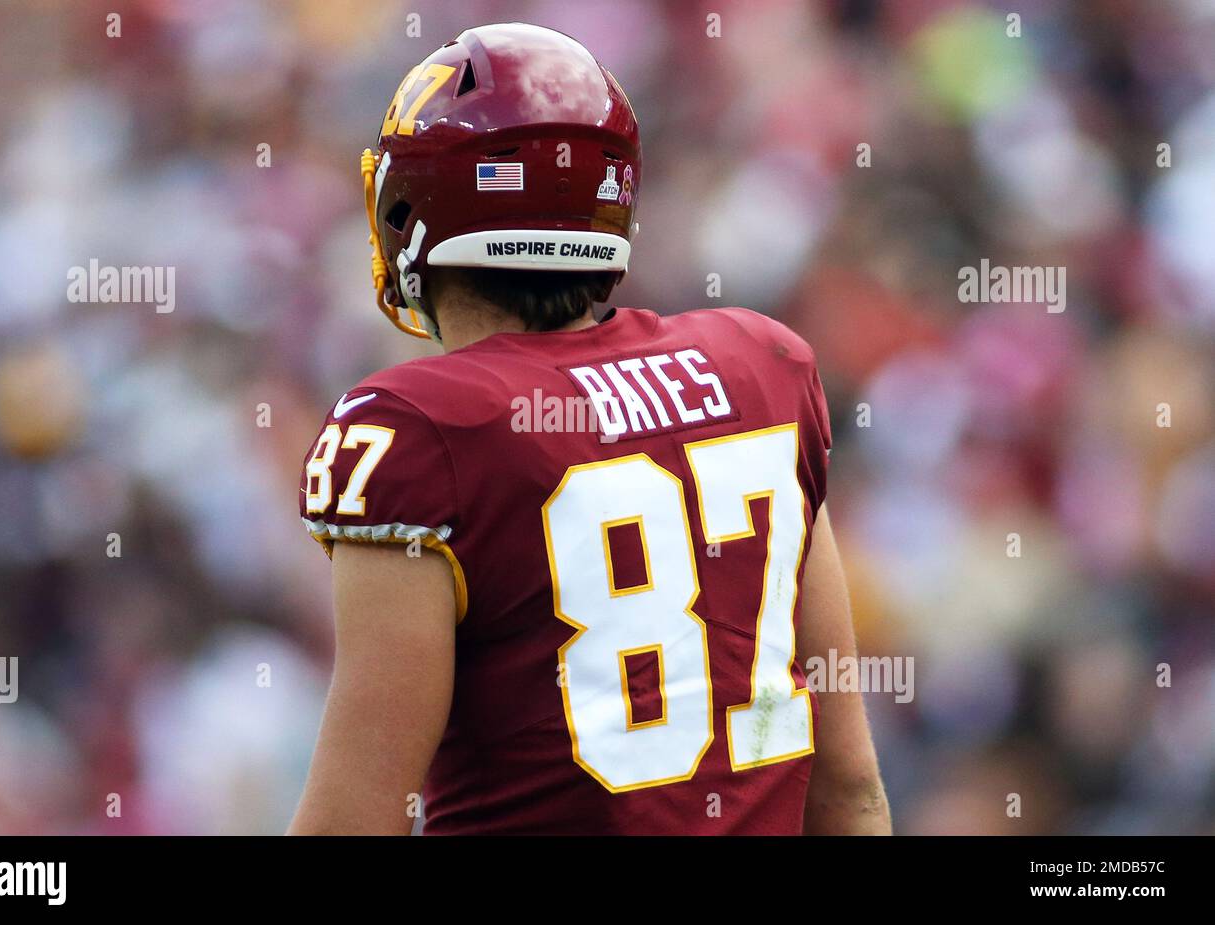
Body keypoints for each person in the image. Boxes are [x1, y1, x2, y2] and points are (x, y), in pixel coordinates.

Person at [289, 22, 889, 835]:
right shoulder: (760, 367)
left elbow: (351, 824)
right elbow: (847, 783)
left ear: (412, 209)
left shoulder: (416, 429)